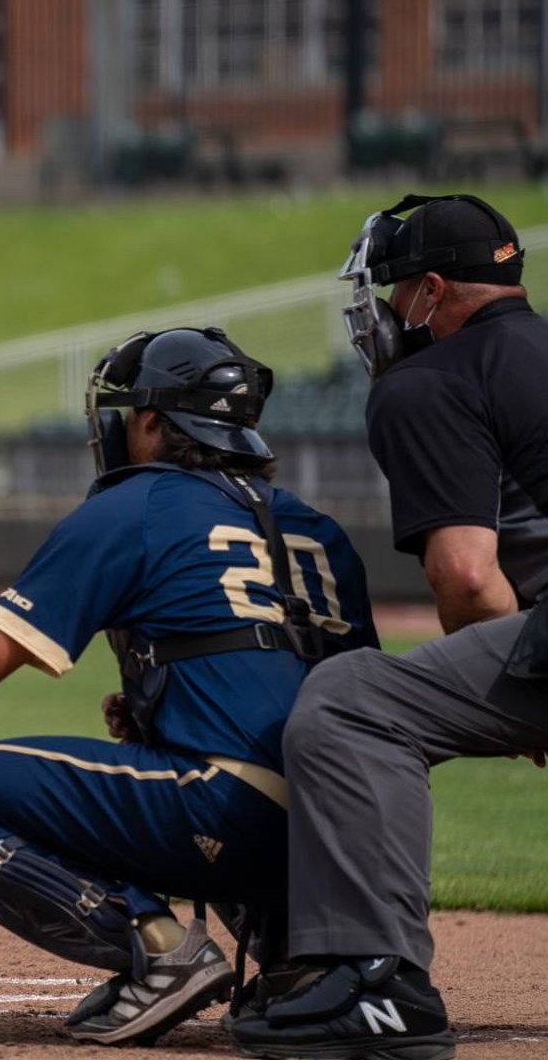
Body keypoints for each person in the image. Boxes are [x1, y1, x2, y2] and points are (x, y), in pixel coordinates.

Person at [0, 328, 378, 1045]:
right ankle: (298, 963)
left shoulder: (139, 502)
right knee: (231, 772)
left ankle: (158, 953)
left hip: (226, 808)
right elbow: (351, 698)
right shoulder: (319, 529)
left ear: (151, 421)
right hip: (346, 837)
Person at [229, 196, 548, 1060]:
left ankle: (379, 982)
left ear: (435, 288)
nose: (381, 310)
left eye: (395, 288)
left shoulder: (429, 378)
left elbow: (470, 577)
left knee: (350, 702)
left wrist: (521, 696)